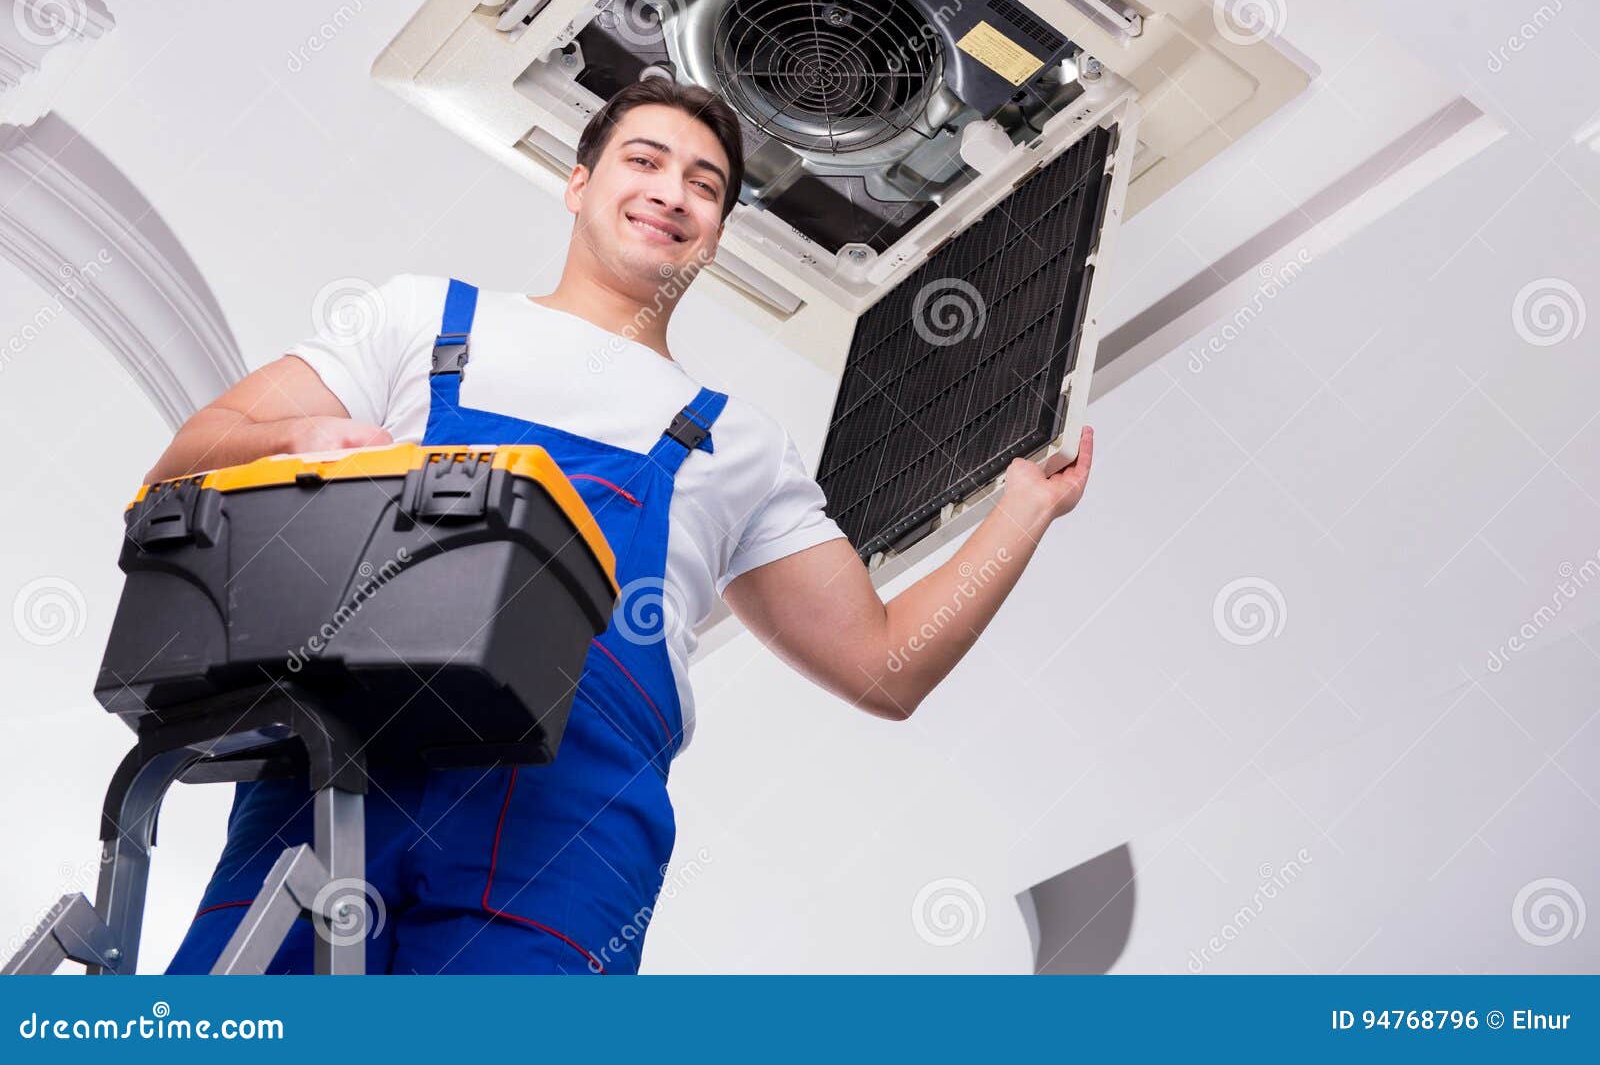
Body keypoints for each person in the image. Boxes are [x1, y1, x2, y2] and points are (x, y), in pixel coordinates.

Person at [149, 76, 1095, 974]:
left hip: (566, 832)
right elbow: (190, 457)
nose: (671, 193)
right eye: (643, 161)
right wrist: (314, 439)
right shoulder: (426, 321)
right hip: (340, 768)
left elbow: (883, 668)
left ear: (718, 232)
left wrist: (1023, 511)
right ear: (578, 182)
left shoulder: (738, 444)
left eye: (704, 183)